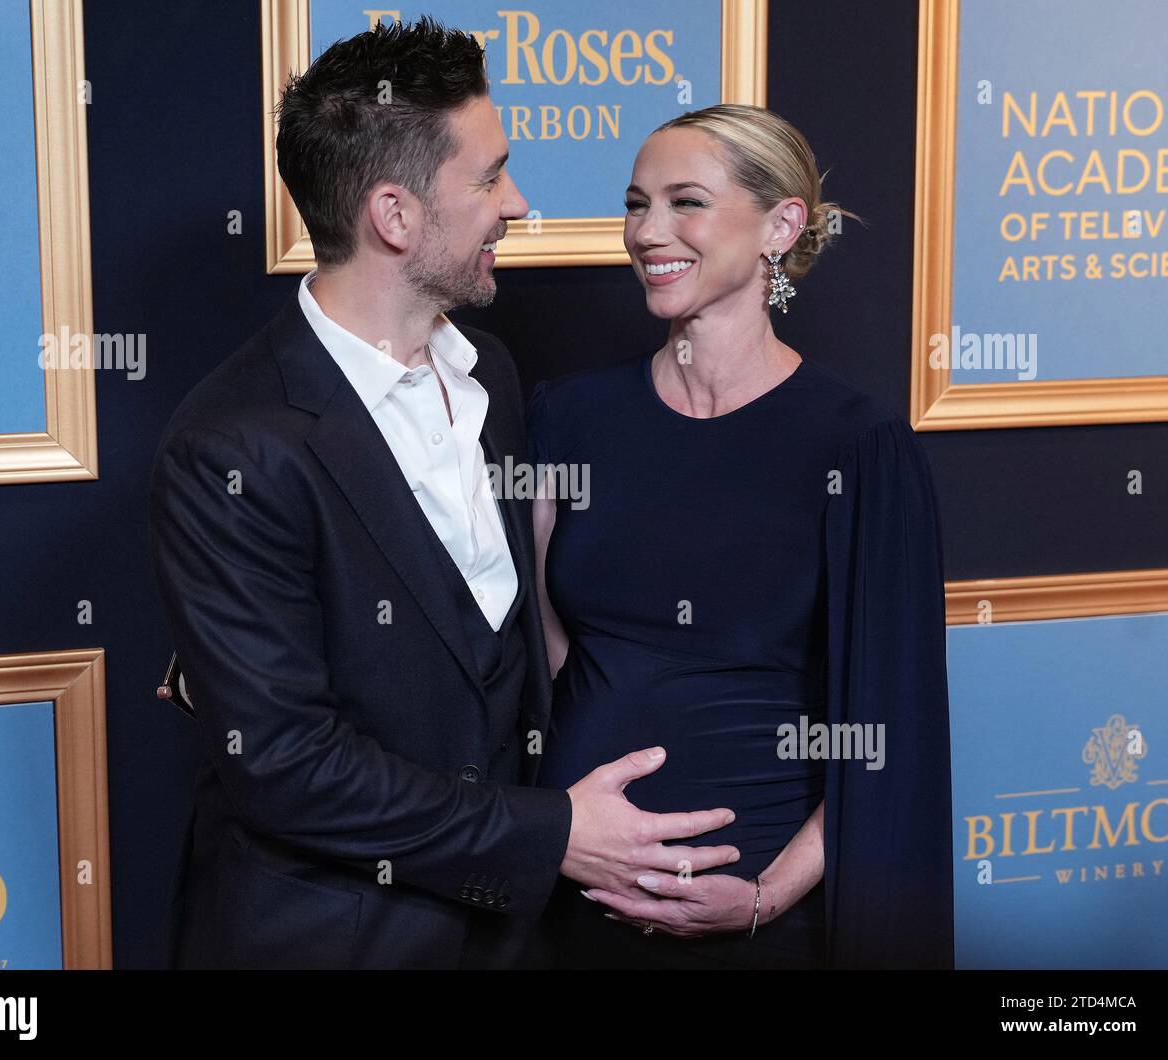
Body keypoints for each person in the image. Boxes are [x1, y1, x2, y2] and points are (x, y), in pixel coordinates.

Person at [147, 18, 741, 971]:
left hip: (515, 941)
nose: (516, 201)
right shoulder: (231, 444)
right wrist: (549, 834)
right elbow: (287, 768)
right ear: (395, 215)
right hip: (329, 944)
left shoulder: (493, 377)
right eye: (489, 175)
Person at [528, 104, 954, 969]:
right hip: (565, 907)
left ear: (781, 224)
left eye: (685, 202)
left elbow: (888, 727)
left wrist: (765, 897)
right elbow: (533, 651)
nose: (648, 232)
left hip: (759, 918)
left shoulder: (855, 443)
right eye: (635, 203)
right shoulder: (567, 417)